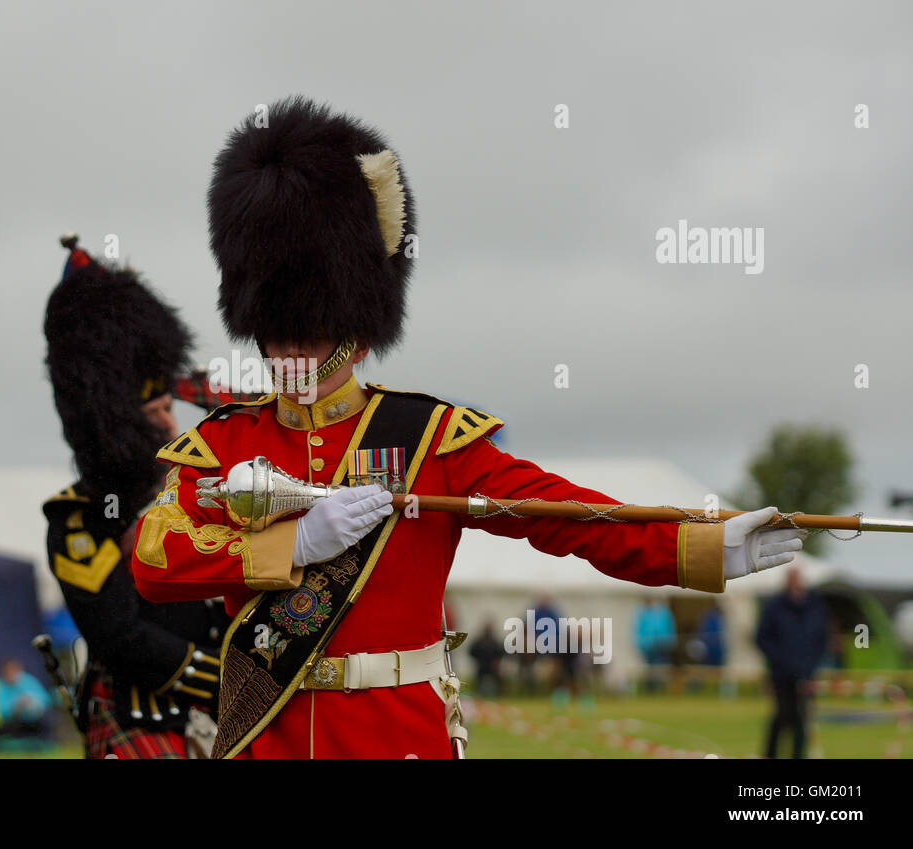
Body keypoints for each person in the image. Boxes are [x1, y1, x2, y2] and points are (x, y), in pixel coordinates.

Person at [130, 97, 808, 759]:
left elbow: (560, 514)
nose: (288, 355)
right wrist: (294, 542)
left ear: (356, 336)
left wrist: (698, 545)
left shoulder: (427, 435)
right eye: (276, 335)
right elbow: (156, 555)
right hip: (267, 733)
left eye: (308, 334)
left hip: (396, 733)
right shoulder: (223, 443)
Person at [42, 235, 231, 758]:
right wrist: (226, 680)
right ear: (118, 421)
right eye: (156, 414)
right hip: (140, 718)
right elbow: (118, 634)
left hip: (225, 716)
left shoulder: (201, 490)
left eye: (170, 407)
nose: (173, 423)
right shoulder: (79, 519)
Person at [755, 567, 829, 758]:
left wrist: (811, 665)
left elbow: (822, 639)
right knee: (782, 716)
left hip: (806, 673)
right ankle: (770, 754)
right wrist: (780, 660)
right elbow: (762, 638)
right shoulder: (774, 606)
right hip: (781, 674)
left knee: (803, 718)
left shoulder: (815, 606)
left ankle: (798, 754)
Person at [635, 598, 677, 692]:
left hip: (663, 646)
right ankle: (651, 689)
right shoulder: (643, 613)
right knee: (650, 669)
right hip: (648, 647)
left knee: (662, 668)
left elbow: (669, 628)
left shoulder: (664, 613)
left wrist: (669, 642)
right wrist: (642, 644)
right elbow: (640, 630)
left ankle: (662, 688)